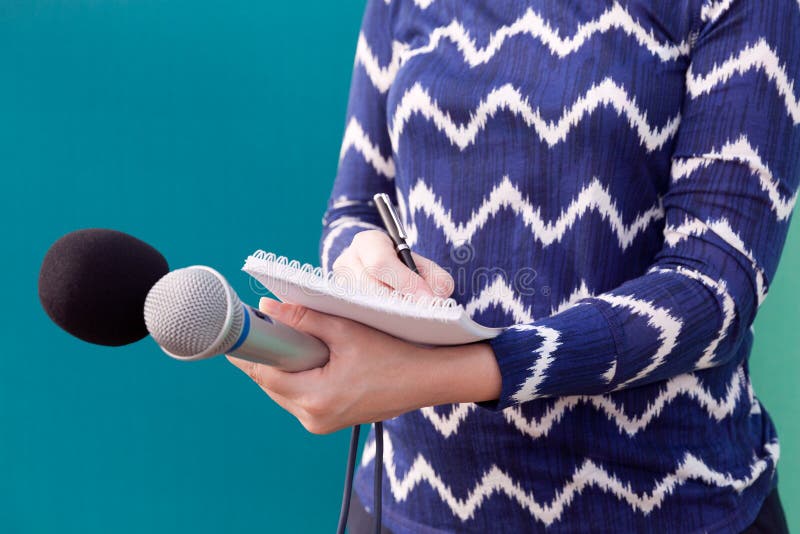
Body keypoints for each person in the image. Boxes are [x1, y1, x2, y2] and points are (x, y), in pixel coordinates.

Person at [228, 1, 799, 532]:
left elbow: (714, 289)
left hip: (662, 506)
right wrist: (362, 264)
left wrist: (436, 376)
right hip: (405, 500)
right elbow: (356, 206)